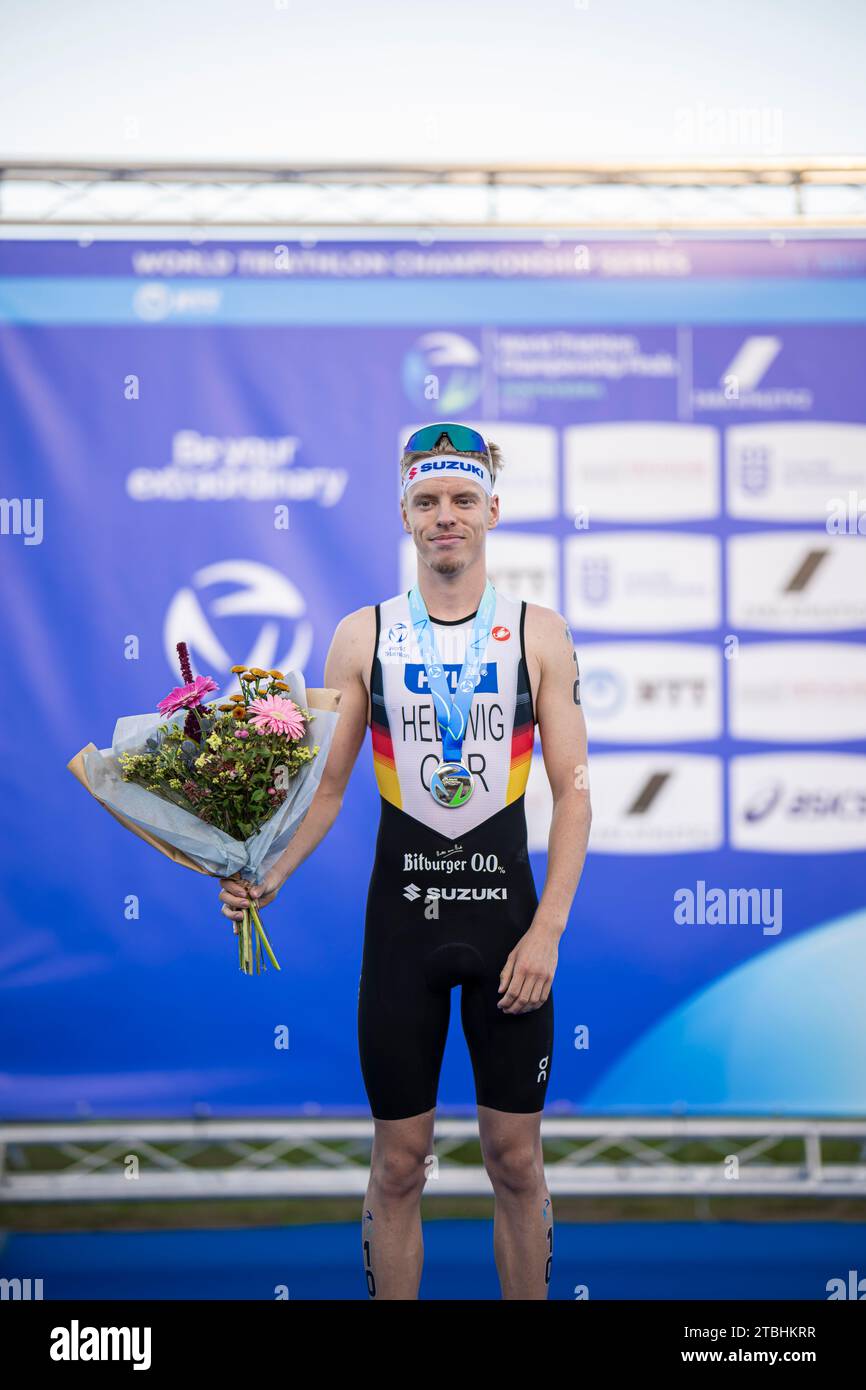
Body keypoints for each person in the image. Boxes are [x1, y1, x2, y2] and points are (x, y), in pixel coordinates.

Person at [219, 423, 591, 1300]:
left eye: (463, 500)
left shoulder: (539, 632)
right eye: (428, 502)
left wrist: (547, 932)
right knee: (398, 1164)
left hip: (509, 930)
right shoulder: (363, 635)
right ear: (405, 516)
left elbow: (573, 793)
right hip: (402, 932)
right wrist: (261, 872)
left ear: (492, 510)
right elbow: (329, 789)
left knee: (514, 1161)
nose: (446, 517)